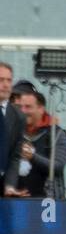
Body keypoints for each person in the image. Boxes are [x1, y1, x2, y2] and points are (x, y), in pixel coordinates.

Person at [4, 83, 66, 198]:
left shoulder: (57, 134)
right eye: (20, 107)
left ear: (41, 109)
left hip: (46, 204)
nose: (23, 111)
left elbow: (58, 166)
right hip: (13, 201)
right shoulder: (10, 132)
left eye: (28, 107)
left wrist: (32, 157)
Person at [1, 63, 26, 197]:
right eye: (1, 80)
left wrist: (10, 186)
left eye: (9, 80)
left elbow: (15, 157)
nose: (5, 85)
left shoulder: (18, 116)